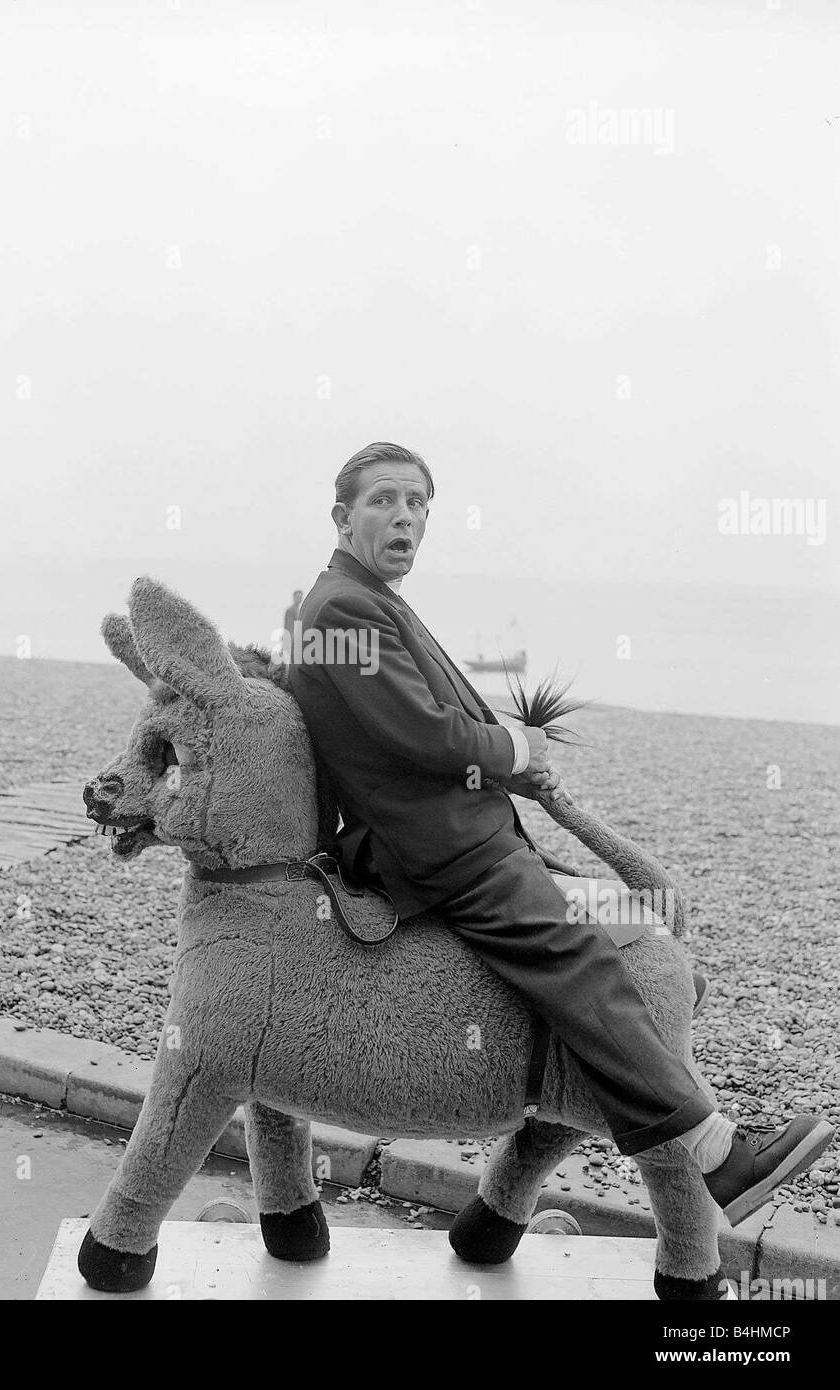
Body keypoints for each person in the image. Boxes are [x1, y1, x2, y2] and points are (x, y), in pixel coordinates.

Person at [287, 440, 833, 1228]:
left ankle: (505, 1207)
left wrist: (502, 758)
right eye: (383, 501)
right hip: (438, 850)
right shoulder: (342, 606)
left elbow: (414, 723)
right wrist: (515, 747)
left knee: (628, 925)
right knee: (578, 959)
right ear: (342, 516)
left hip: (468, 832)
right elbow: (417, 731)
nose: (405, 517)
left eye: (418, 504)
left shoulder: (365, 597)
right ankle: (718, 1158)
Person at [282, 589, 304, 663]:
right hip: (291, 640)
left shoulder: (300, 610)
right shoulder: (290, 610)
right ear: (294, 598)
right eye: (297, 597)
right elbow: (289, 627)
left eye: (300, 597)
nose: (299, 599)